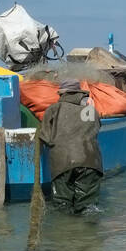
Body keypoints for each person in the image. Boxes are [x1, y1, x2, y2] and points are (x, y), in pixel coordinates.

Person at [38, 78, 103, 212]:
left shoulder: (54, 109)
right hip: (90, 162)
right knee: (88, 208)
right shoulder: (89, 111)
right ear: (79, 94)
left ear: (62, 94)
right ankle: (89, 230)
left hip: (63, 163)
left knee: (62, 206)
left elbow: (45, 137)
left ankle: (66, 230)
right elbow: (94, 129)